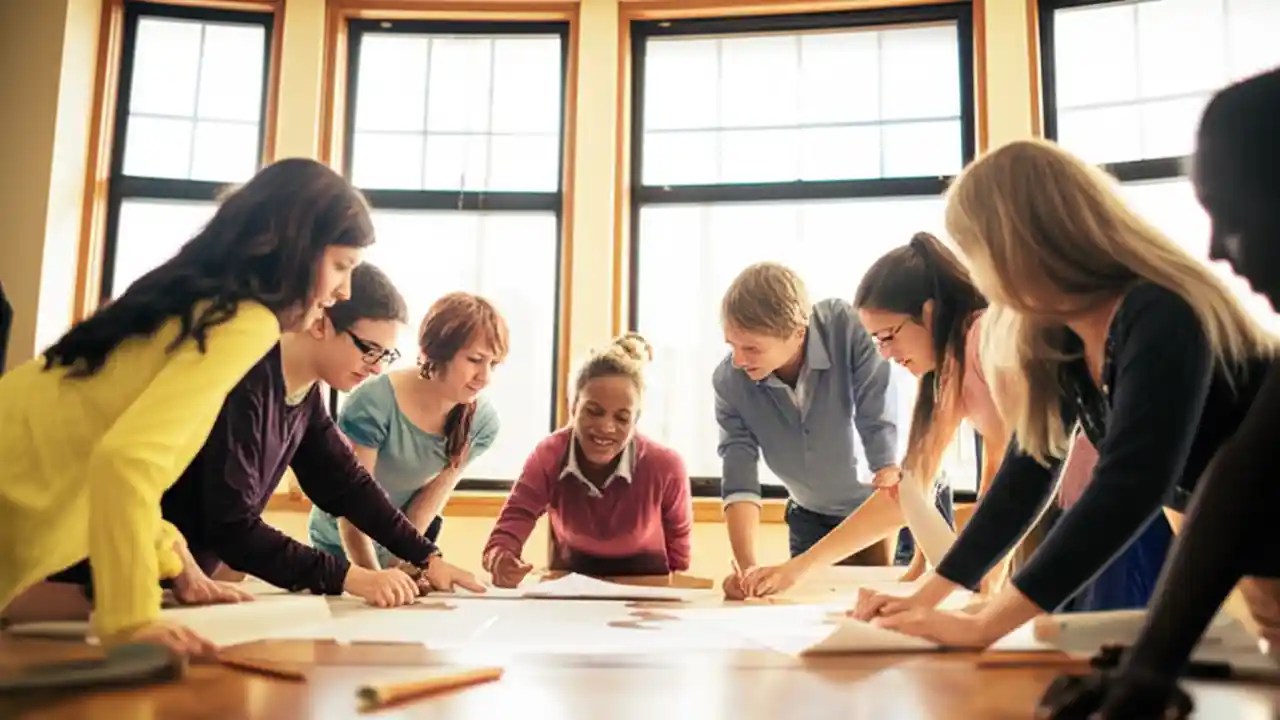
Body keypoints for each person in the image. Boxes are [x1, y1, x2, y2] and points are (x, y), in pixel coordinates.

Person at [852, 138, 1274, 653]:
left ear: (1021, 243)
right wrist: (932, 594)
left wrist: (986, 625)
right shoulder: (1059, 336)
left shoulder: (1160, 311)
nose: (980, 275)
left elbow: (1133, 481)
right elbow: (1029, 470)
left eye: (977, 252)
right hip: (1250, 540)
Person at [0, 158, 372, 657]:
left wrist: (173, 565)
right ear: (297, 250)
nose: (343, 291)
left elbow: (91, 447)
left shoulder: (190, 304)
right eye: (342, 266)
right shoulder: (247, 323)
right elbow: (126, 462)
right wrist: (131, 621)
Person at [25, 263, 483, 615]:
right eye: (369, 350)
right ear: (321, 322)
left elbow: (350, 486)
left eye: (387, 354)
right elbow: (234, 526)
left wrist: (428, 557)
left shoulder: (306, 396)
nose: (378, 367)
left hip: (174, 583)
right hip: (91, 572)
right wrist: (353, 578)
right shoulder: (244, 376)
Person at [1041, 67, 1280, 720]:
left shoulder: (1159, 314)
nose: (1215, 250)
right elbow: (1240, 478)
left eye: (1230, 216)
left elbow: (1146, 477)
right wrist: (1147, 672)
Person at [738, 233, 1013, 598]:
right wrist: (800, 567)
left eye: (887, 336)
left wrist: (980, 588)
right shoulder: (945, 379)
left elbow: (1009, 485)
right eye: (876, 341)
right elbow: (905, 497)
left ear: (929, 314)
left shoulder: (985, 342)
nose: (884, 354)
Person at [714, 262, 899, 598]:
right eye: (732, 345)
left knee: (890, 624)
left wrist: (886, 478)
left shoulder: (848, 328)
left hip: (887, 507)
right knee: (807, 624)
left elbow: (877, 416)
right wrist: (748, 571)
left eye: (751, 348)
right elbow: (739, 472)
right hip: (812, 515)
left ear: (799, 333)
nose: (738, 360)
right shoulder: (729, 381)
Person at [309, 292, 503, 568]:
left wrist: (401, 566)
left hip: (401, 542)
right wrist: (373, 577)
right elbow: (351, 505)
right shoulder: (373, 402)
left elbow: (427, 503)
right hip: (341, 545)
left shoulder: (482, 423)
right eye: (475, 360)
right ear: (437, 352)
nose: (485, 377)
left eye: (493, 364)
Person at [482, 333, 692, 585]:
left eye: (622, 418)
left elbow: (679, 555)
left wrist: (671, 596)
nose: (606, 427)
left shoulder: (665, 466)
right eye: (594, 412)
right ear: (573, 407)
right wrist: (501, 559)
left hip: (645, 596)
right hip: (571, 594)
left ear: (635, 420)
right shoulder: (548, 456)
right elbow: (514, 519)